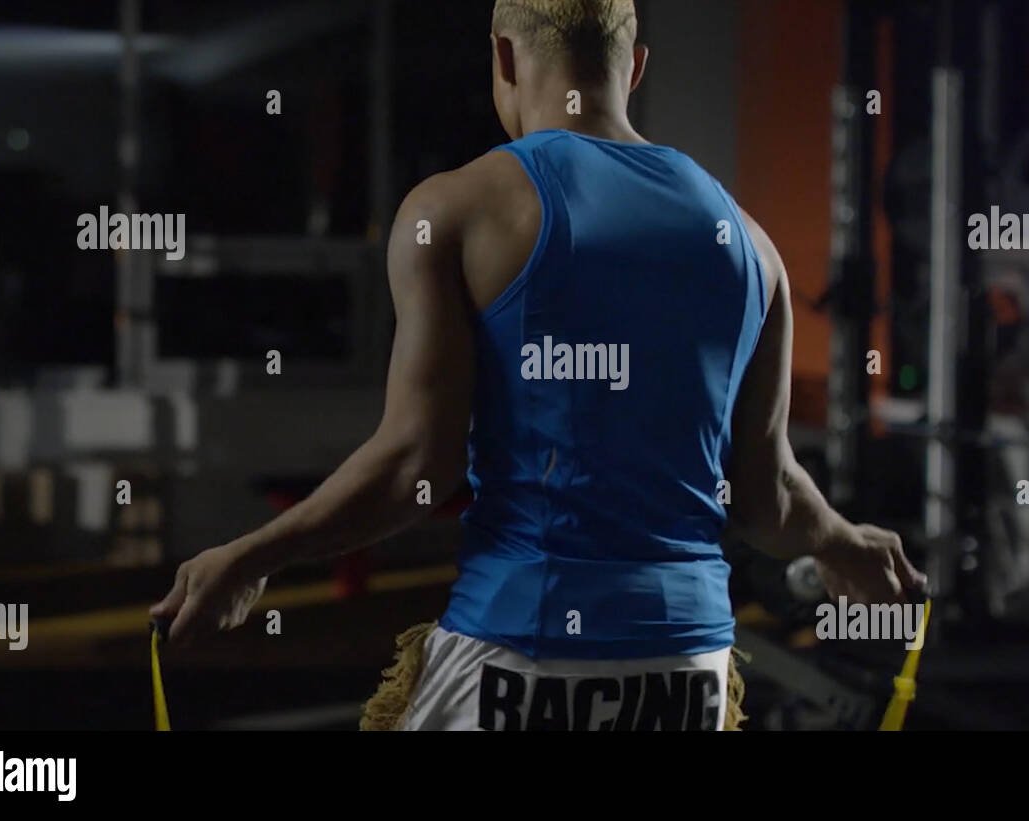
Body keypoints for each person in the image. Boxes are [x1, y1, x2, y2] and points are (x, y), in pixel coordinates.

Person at [151, 0, 925, 731]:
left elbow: (417, 464)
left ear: (503, 56)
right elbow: (770, 495)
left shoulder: (457, 209)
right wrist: (842, 538)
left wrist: (253, 555)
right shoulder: (752, 246)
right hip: (689, 668)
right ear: (637, 67)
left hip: (518, 654)